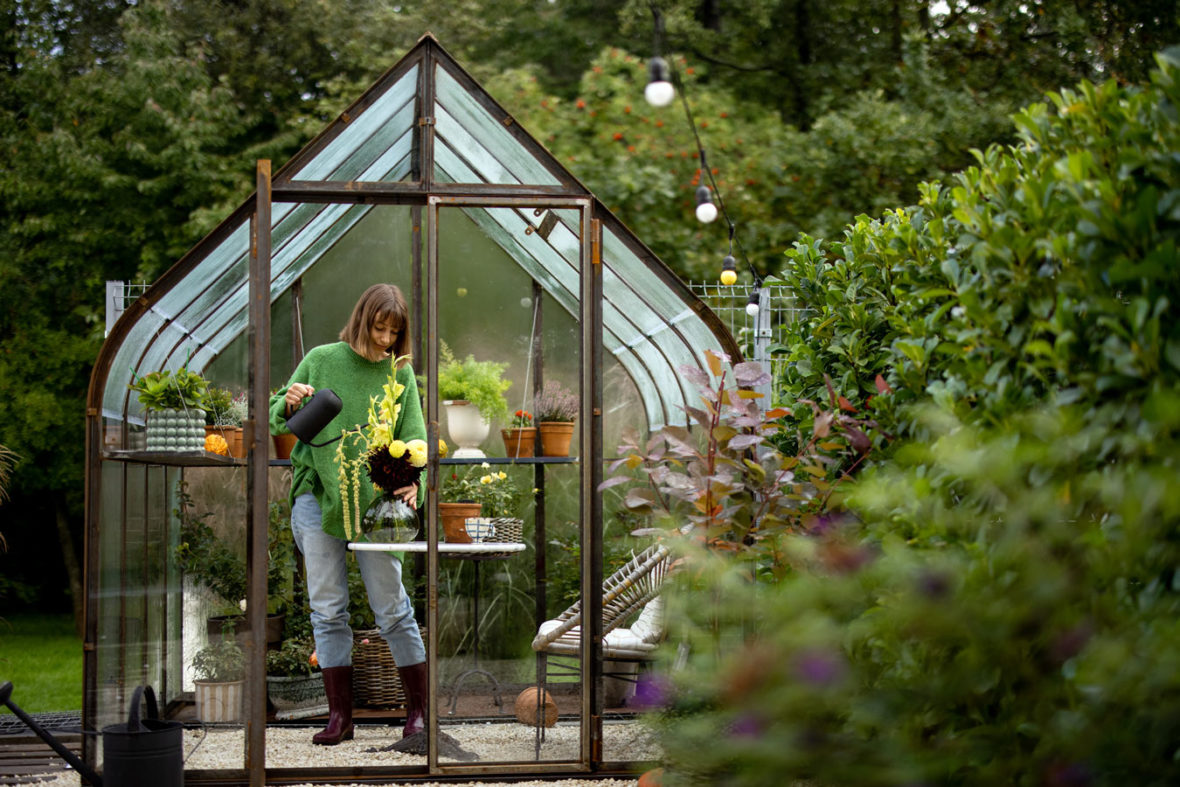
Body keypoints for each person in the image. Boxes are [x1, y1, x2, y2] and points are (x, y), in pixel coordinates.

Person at [269, 283, 427, 746]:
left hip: (375, 506)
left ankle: (416, 714)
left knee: (392, 608)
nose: (385, 340)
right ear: (363, 320)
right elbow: (280, 418)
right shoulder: (321, 359)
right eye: (380, 328)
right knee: (327, 608)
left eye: (394, 332)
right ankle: (340, 719)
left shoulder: (400, 374)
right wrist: (292, 398)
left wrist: (413, 478)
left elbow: (414, 435)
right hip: (318, 498)